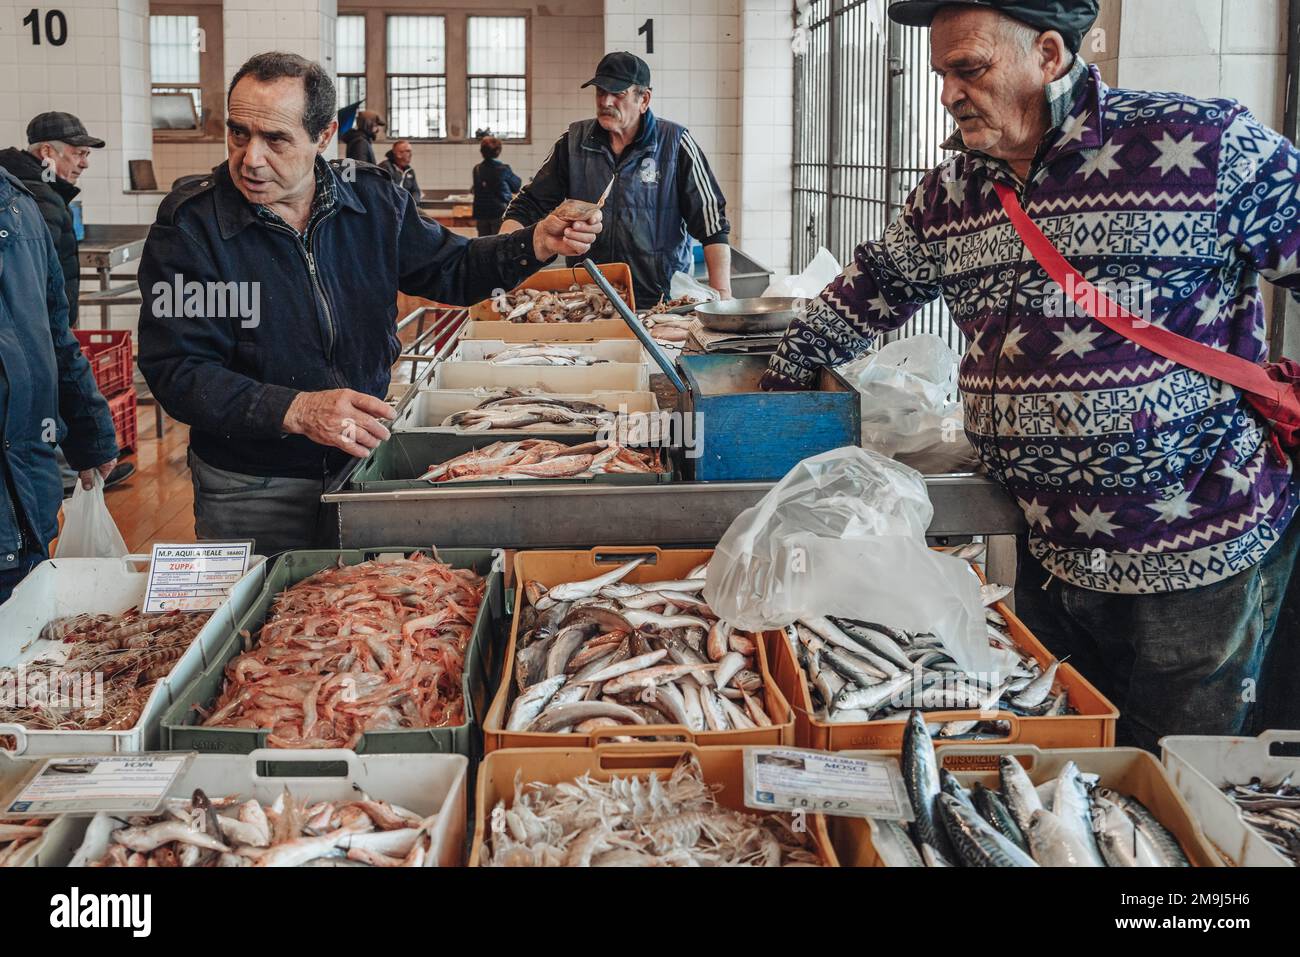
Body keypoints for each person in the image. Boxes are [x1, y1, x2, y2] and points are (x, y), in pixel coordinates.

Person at [760, 0, 1300, 748]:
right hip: (1053, 561)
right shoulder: (951, 196)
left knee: (1173, 786)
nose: (949, 93)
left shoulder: (1202, 143)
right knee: (1066, 772)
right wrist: (777, 375)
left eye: (969, 69)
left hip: (1200, 564)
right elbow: (871, 291)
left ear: (1049, 54)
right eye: (942, 74)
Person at [137, 52, 602, 556]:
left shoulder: (372, 201)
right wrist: (295, 408)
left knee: (358, 617)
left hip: (361, 463)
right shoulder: (192, 225)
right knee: (263, 627)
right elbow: (178, 370)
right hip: (250, 486)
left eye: (275, 139)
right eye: (238, 133)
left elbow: (454, 269)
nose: (250, 158)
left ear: (322, 135)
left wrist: (536, 242)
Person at [501, 52, 733, 306]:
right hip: (588, 297)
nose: (605, 101)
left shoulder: (675, 144)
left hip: (660, 300)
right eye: (600, 92)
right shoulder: (574, 142)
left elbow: (712, 225)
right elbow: (528, 206)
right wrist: (500, 261)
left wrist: (723, 296)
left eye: (618, 93)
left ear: (644, 99)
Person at [0, 166, 120, 601]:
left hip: (26, 500)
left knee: (25, 648)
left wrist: (90, 434)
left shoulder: (18, 206)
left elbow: (54, 333)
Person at [0, 112, 135, 494]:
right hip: (34, 334)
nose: (84, 162)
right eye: (78, 153)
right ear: (46, 152)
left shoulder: (36, 192)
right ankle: (68, 474)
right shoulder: (31, 200)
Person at [471, 136, 521, 237]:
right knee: (498, 244)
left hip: (481, 213)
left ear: (481, 152)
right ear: (498, 151)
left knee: (483, 244)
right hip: (498, 212)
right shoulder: (503, 169)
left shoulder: (477, 169)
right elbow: (516, 186)